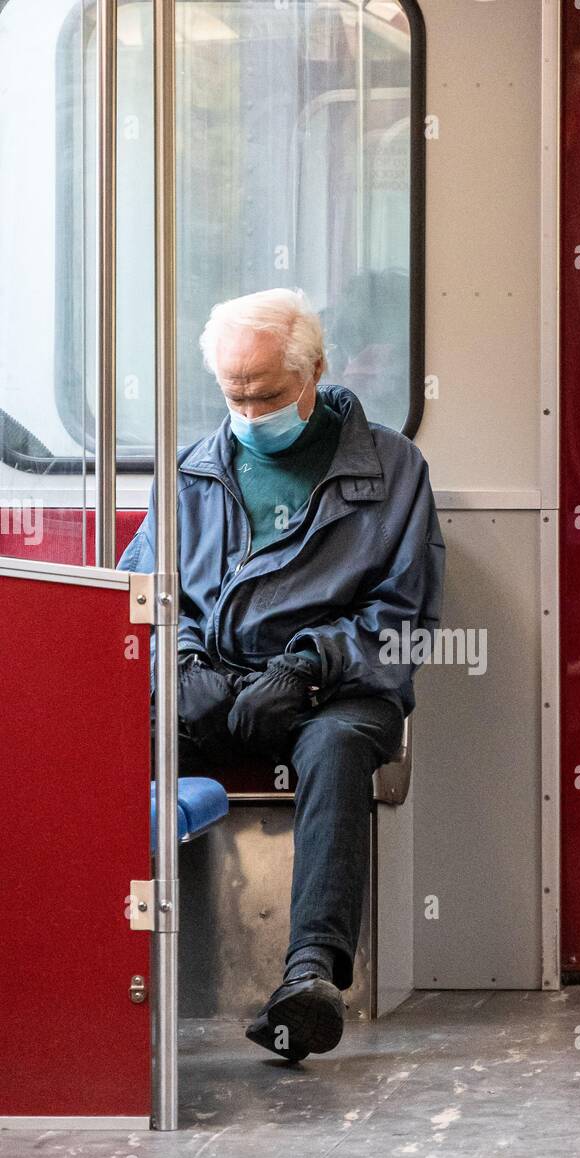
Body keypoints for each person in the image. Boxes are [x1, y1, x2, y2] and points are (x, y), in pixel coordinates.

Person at [119, 287, 445, 1063]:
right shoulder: (193, 473)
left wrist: (308, 667)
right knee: (104, 740)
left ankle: (310, 979)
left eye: (266, 395)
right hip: (217, 675)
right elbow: (144, 602)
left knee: (335, 751)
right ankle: (92, 960)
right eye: (234, 395)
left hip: (334, 688)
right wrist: (181, 662)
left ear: (313, 374)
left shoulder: (391, 471)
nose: (249, 410)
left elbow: (403, 617)